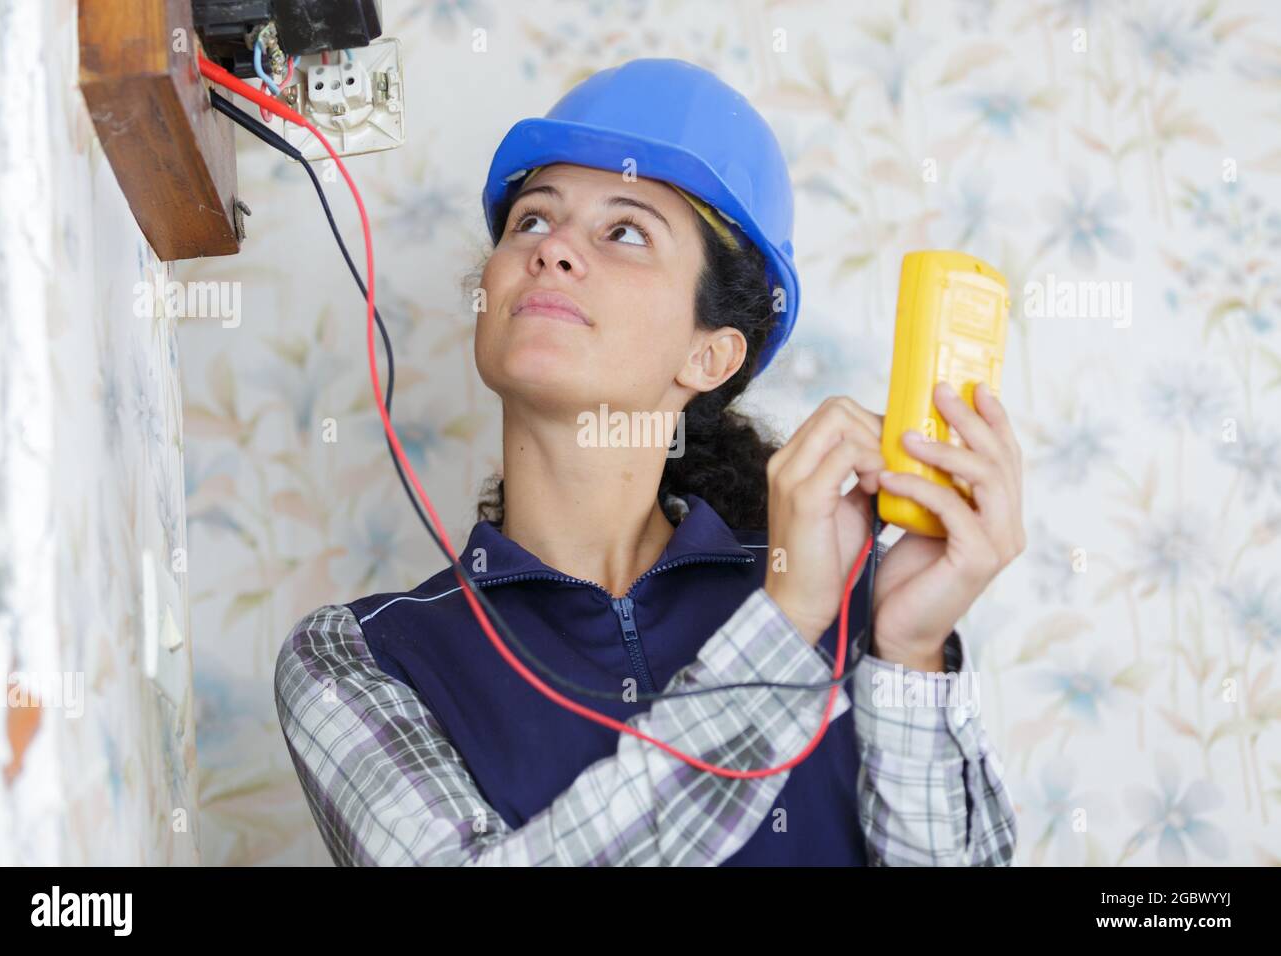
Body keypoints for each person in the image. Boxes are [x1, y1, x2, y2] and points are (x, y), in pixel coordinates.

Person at [275, 58, 1023, 866]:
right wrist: (781, 632)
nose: (554, 248)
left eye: (624, 231)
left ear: (711, 356)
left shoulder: (855, 609)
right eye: (532, 220)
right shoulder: (359, 657)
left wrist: (909, 652)